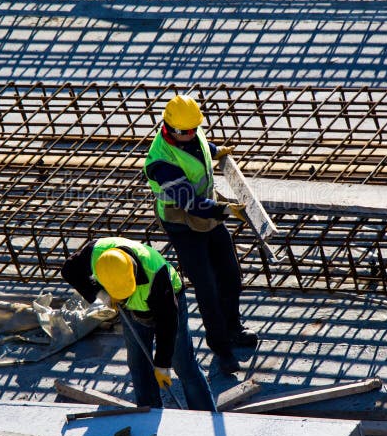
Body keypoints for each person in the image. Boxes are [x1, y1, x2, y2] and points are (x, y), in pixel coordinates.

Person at [143, 94, 257, 375]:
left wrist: (216, 150)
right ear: (169, 128)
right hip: (183, 223)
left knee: (230, 274)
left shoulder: (189, 129)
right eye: (186, 131)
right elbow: (190, 203)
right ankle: (221, 348)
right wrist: (226, 211)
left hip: (209, 215)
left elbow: (200, 143)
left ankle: (233, 328)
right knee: (206, 287)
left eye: (196, 128)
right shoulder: (160, 162)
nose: (192, 134)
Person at [60, 236, 216, 411]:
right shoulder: (94, 254)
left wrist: (162, 364)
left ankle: (205, 413)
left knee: (183, 364)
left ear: (132, 273)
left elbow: (167, 323)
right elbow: (68, 270)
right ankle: (149, 413)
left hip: (168, 303)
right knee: (138, 363)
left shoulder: (156, 274)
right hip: (131, 309)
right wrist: (101, 295)